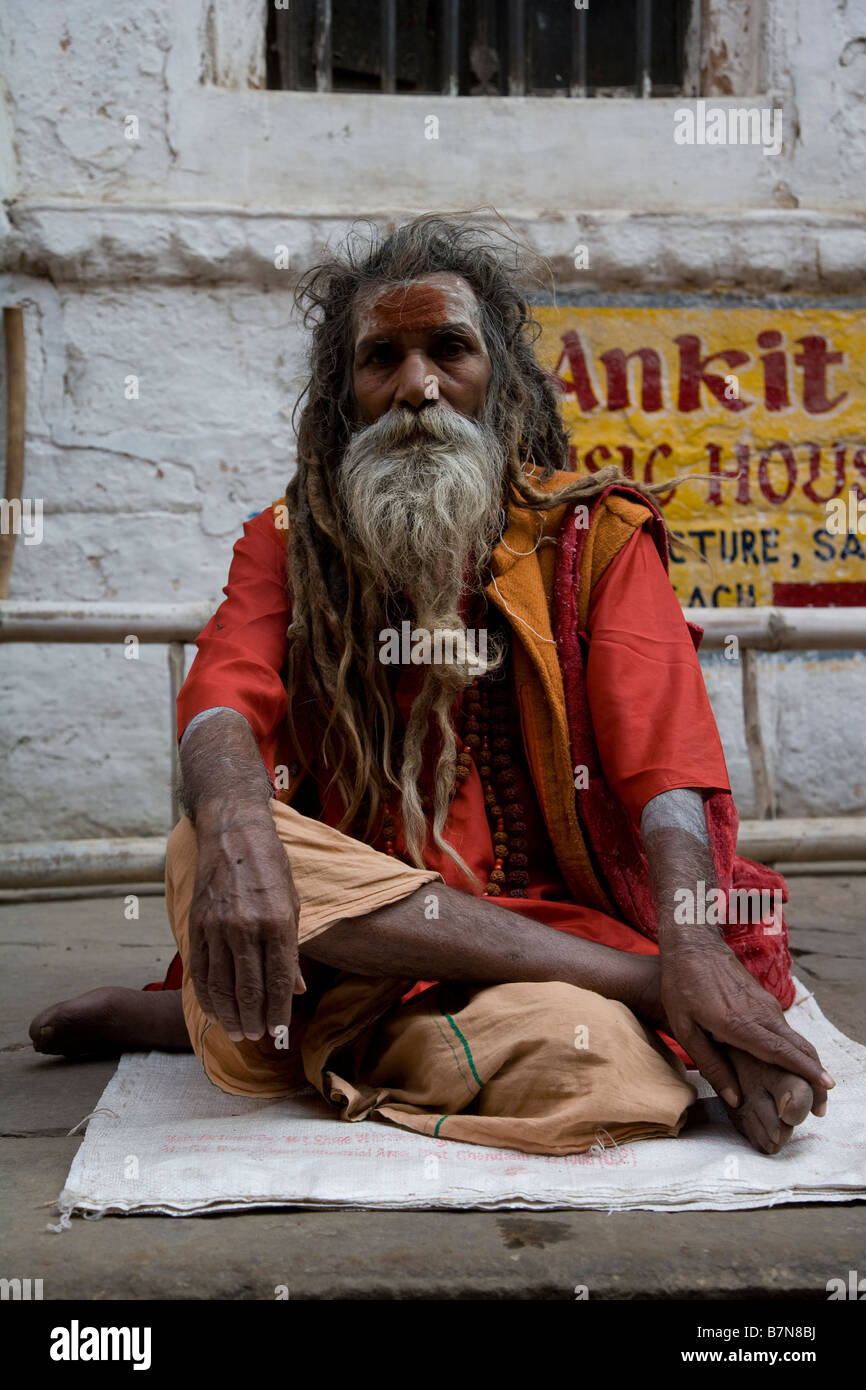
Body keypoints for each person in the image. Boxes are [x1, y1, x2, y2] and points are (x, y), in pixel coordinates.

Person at [31, 216, 833, 1158]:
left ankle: (247, 1025)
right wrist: (242, 828)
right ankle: (643, 991)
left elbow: (668, 759)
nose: (418, 388)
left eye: (450, 350)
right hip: (338, 923)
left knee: (607, 1086)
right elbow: (221, 694)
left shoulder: (595, 538)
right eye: (384, 360)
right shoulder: (292, 541)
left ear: (504, 383)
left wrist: (694, 947)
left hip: (561, 936)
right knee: (208, 834)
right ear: (347, 398)